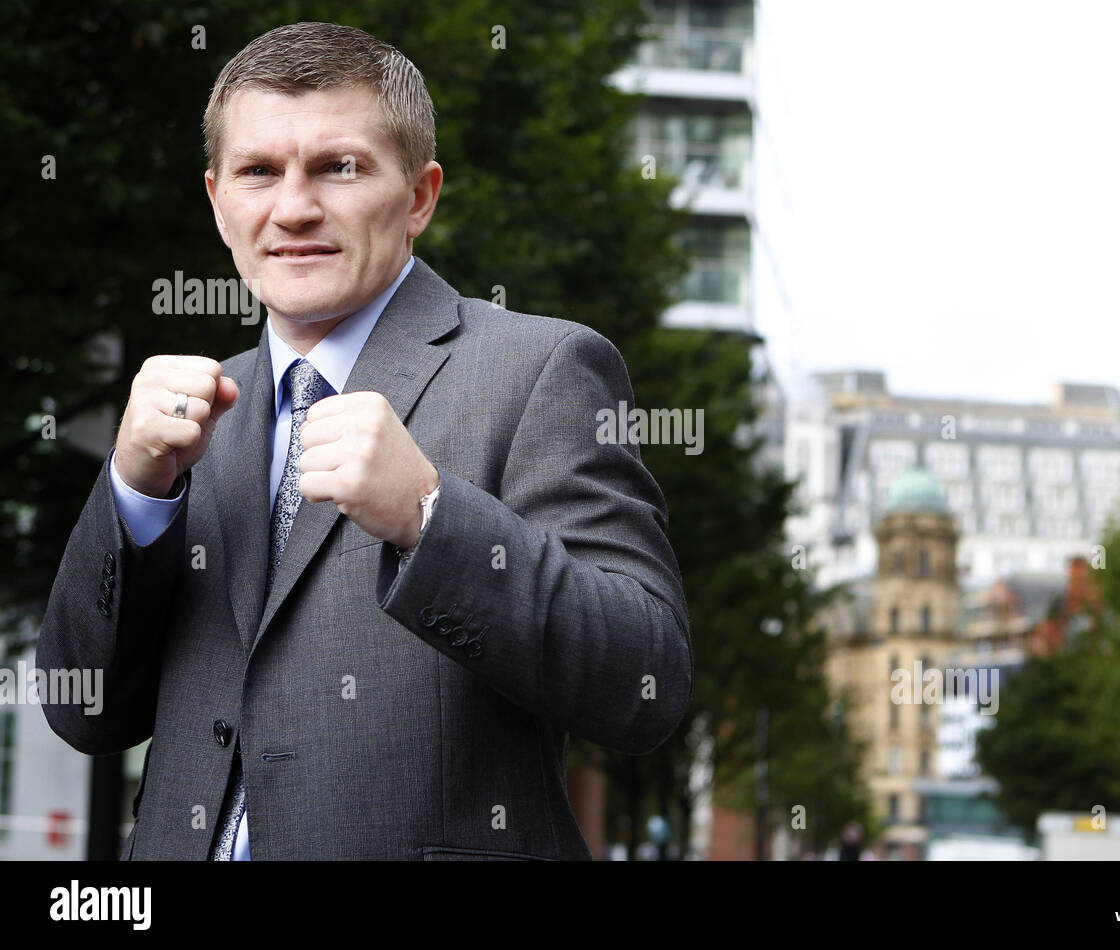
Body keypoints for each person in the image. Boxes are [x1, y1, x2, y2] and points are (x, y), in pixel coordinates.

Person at [37, 21, 692, 861]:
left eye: (338, 167)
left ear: (419, 196)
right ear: (217, 201)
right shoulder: (185, 421)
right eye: (258, 171)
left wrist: (430, 518)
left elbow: (646, 685)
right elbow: (82, 711)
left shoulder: (544, 369)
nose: (293, 208)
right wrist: (132, 494)